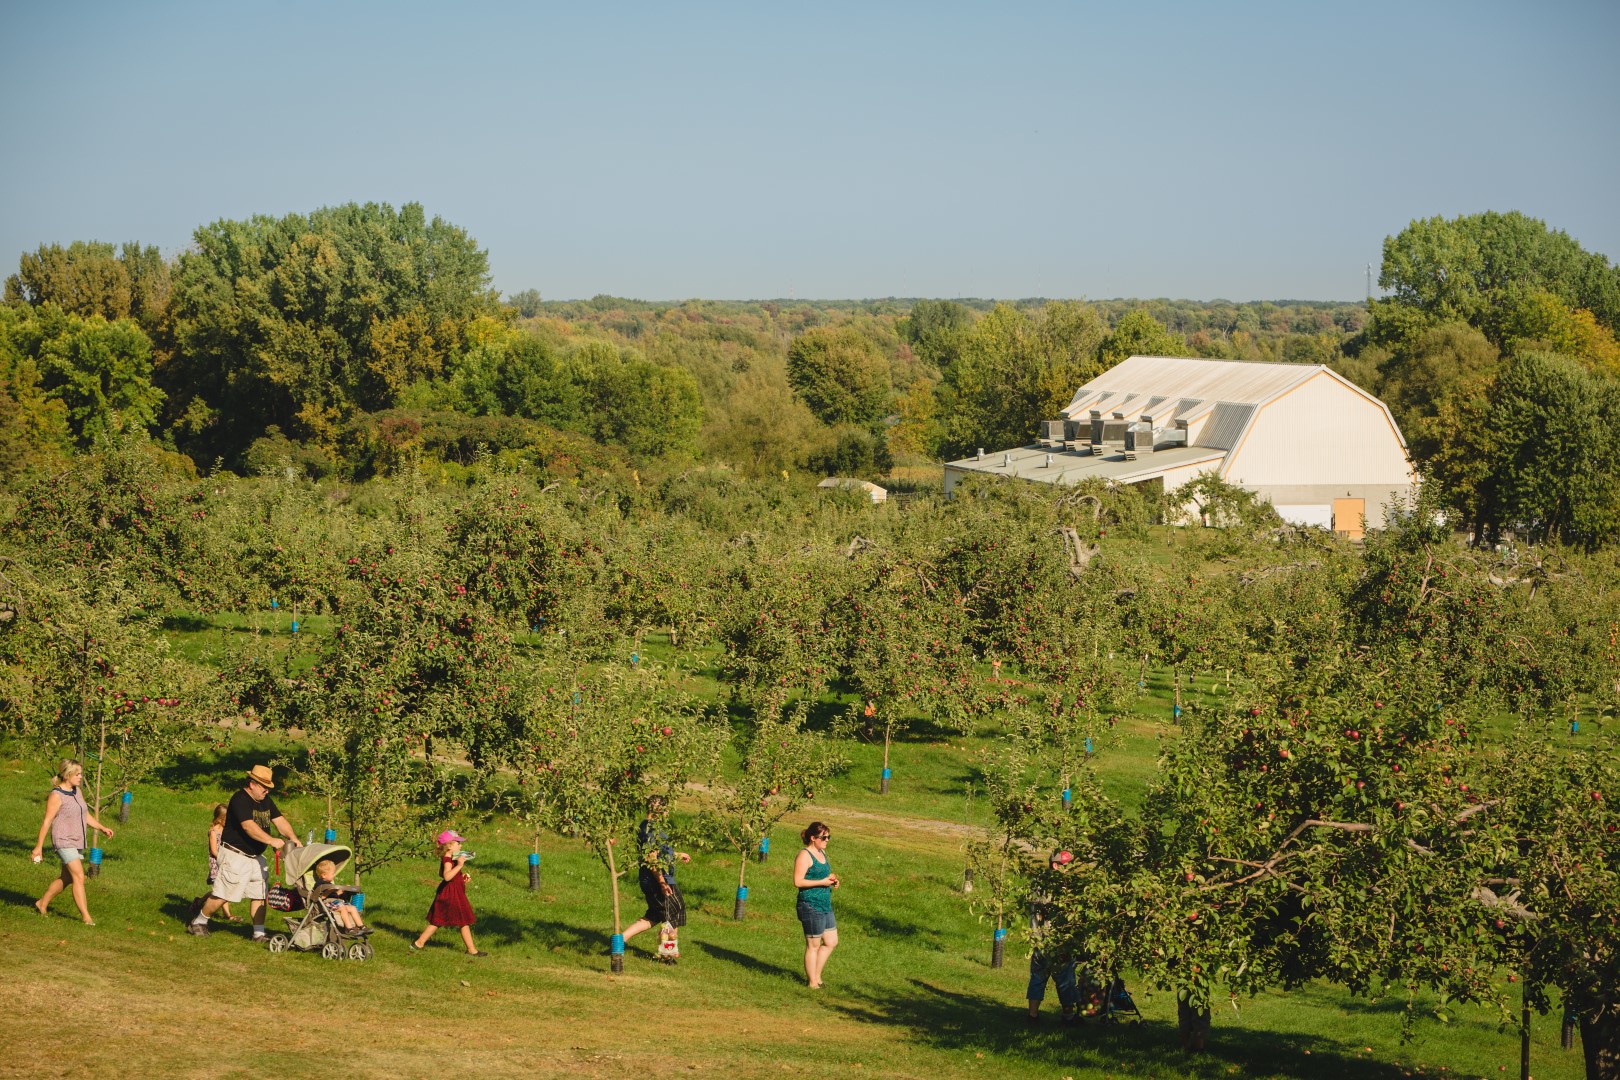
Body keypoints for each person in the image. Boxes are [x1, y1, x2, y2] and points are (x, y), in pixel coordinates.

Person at [188, 764, 300, 941]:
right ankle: (199, 922)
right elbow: (248, 827)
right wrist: (271, 840)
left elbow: (279, 820)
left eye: (268, 788)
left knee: (259, 894)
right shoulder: (239, 799)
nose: (267, 792)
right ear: (252, 784)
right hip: (235, 854)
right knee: (224, 893)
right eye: (264, 787)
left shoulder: (265, 800)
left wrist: (293, 838)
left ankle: (259, 933)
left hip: (255, 856)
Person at [30, 759, 114, 925]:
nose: (81, 777)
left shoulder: (77, 791)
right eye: (78, 774)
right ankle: (86, 917)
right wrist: (38, 847)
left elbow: (85, 815)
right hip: (63, 840)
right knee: (79, 877)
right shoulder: (56, 795)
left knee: (67, 878)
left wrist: (102, 827)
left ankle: (42, 903)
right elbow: (47, 821)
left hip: (77, 840)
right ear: (67, 775)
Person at [621, 795, 690, 963]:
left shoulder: (651, 827)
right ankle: (667, 953)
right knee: (672, 913)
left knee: (655, 914)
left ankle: (620, 939)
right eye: (666, 809)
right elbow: (652, 859)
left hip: (658, 879)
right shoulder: (651, 830)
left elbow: (661, 852)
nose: (667, 812)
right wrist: (662, 883)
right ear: (660, 811)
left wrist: (676, 855)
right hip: (658, 879)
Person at [1027, 849, 1080, 1025]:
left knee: (1037, 977)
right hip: (1056, 942)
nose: (1070, 869)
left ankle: (1032, 1016)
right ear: (1056, 865)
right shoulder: (1061, 888)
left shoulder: (1037, 882)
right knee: (1066, 978)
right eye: (1067, 865)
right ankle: (1068, 1017)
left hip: (1038, 940)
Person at [411, 830, 483, 956]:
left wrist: (461, 877)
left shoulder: (450, 858)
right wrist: (460, 866)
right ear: (449, 846)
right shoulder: (448, 860)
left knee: (448, 921)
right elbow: (447, 876)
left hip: (453, 893)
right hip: (451, 895)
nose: (460, 845)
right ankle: (419, 943)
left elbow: (446, 874)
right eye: (457, 843)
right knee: (454, 921)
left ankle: (419, 943)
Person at [793, 821, 839, 988]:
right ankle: (812, 982)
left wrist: (833, 881)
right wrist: (822, 882)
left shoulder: (822, 853)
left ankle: (817, 977)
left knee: (831, 941)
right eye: (824, 837)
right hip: (810, 905)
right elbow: (798, 881)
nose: (827, 840)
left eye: (828, 837)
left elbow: (823, 876)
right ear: (813, 838)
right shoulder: (805, 855)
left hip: (825, 904)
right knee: (813, 945)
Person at [312, 859, 369, 933]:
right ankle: (349, 928)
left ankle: (361, 926)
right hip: (326, 903)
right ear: (324, 875)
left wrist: (344, 890)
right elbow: (321, 897)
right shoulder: (320, 884)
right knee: (343, 908)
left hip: (337, 902)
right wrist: (332, 890)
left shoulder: (331, 884)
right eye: (332, 873)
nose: (334, 875)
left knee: (352, 908)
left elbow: (337, 896)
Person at [203, 804, 235, 922]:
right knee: (221, 890)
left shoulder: (226, 831)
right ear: (220, 819)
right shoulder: (213, 832)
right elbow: (214, 851)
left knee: (221, 889)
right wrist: (223, 858)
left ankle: (200, 901)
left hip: (225, 861)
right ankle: (227, 915)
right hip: (217, 862)